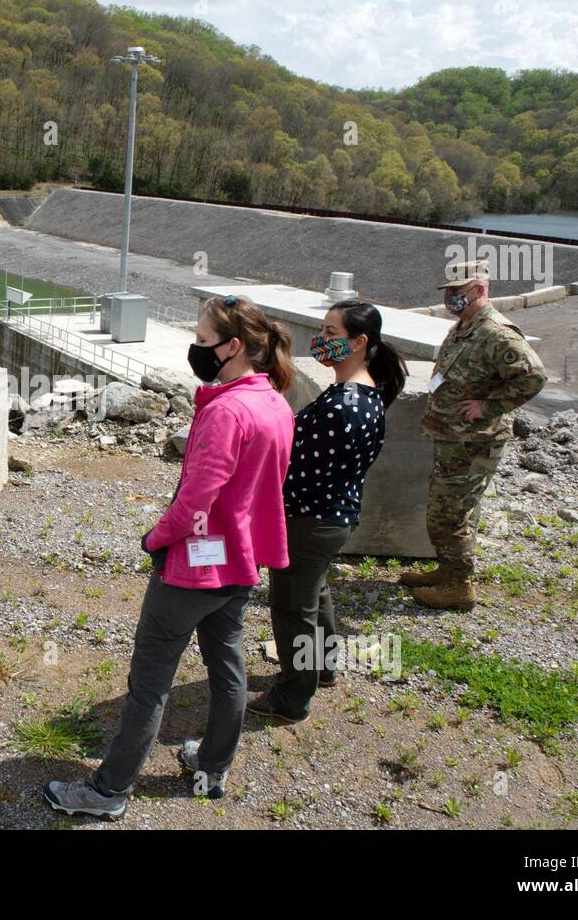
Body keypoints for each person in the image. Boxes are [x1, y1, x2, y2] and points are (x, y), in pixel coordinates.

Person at [43, 294, 296, 820]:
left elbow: (196, 498)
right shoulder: (274, 401)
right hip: (239, 563)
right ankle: (212, 767)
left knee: (149, 684)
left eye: (203, 342)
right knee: (228, 667)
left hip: (194, 570)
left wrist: (155, 538)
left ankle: (108, 791)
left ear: (231, 347)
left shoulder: (227, 409)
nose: (196, 349)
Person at [247, 300, 407, 724]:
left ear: (359, 342)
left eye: (332, 333)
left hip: (309, 519)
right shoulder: (360, 394)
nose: (322, 340)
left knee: (291, 609)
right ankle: (324, 667)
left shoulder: (345, 406)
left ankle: (291, 698)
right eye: (322, 330)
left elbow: (302, 473)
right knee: (314, 595)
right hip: (331, 517)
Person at [400, 259, 546, 611]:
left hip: (474, 439)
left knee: (448, 513)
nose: (451, 298)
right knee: (450, 508)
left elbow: (533, 376)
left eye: (458, 292)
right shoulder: (465, 326)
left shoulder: (496, 332)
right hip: (454, 435)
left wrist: (488, 405)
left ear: (480, 289)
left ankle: (458, 585)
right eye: (448, 292)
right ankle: (448, 570)